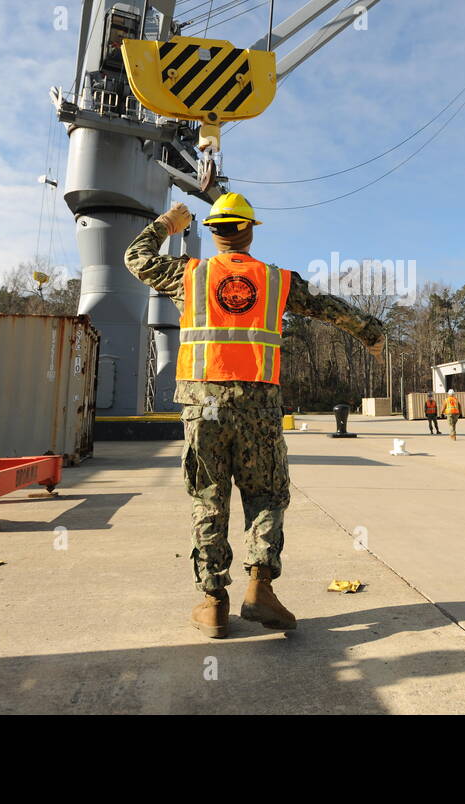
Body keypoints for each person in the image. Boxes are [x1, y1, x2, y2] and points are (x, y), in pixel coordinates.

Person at [125, 192, 385, 639]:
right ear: (249, 231)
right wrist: (371, 333)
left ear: (213, 232)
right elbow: (329, 307)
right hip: (258, 405)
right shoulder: (277, 280)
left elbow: (135, 257)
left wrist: (168, 223)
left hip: (202, 403)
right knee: (267, 495)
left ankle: (213, 603)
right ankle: (260, 588)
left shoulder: (188, 274)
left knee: (209, 497)